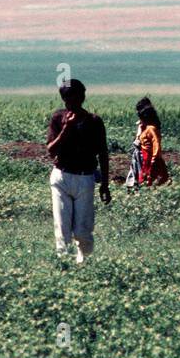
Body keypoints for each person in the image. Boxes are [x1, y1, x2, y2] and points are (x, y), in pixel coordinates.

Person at [45, 79, 111, 263]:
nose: (71, 102)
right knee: (62, 228)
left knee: (83, 230)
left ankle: (84, 264)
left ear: (82, 97)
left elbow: (103, 154)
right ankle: (65, 265)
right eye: (67, 98)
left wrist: (105, 184)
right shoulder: (58, 119)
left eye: (75, 97)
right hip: (61, 177)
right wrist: (66, 128)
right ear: (64, 99)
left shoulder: (94, 122)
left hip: (85, 178)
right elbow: (51, 150)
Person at [136, 102, 168, 186]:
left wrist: (154, 158)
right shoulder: (146, 128)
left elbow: (156, 143)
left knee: (150, 178)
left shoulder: (151, 129)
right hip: (147, 158)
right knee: (148, 178)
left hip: (151, 158)